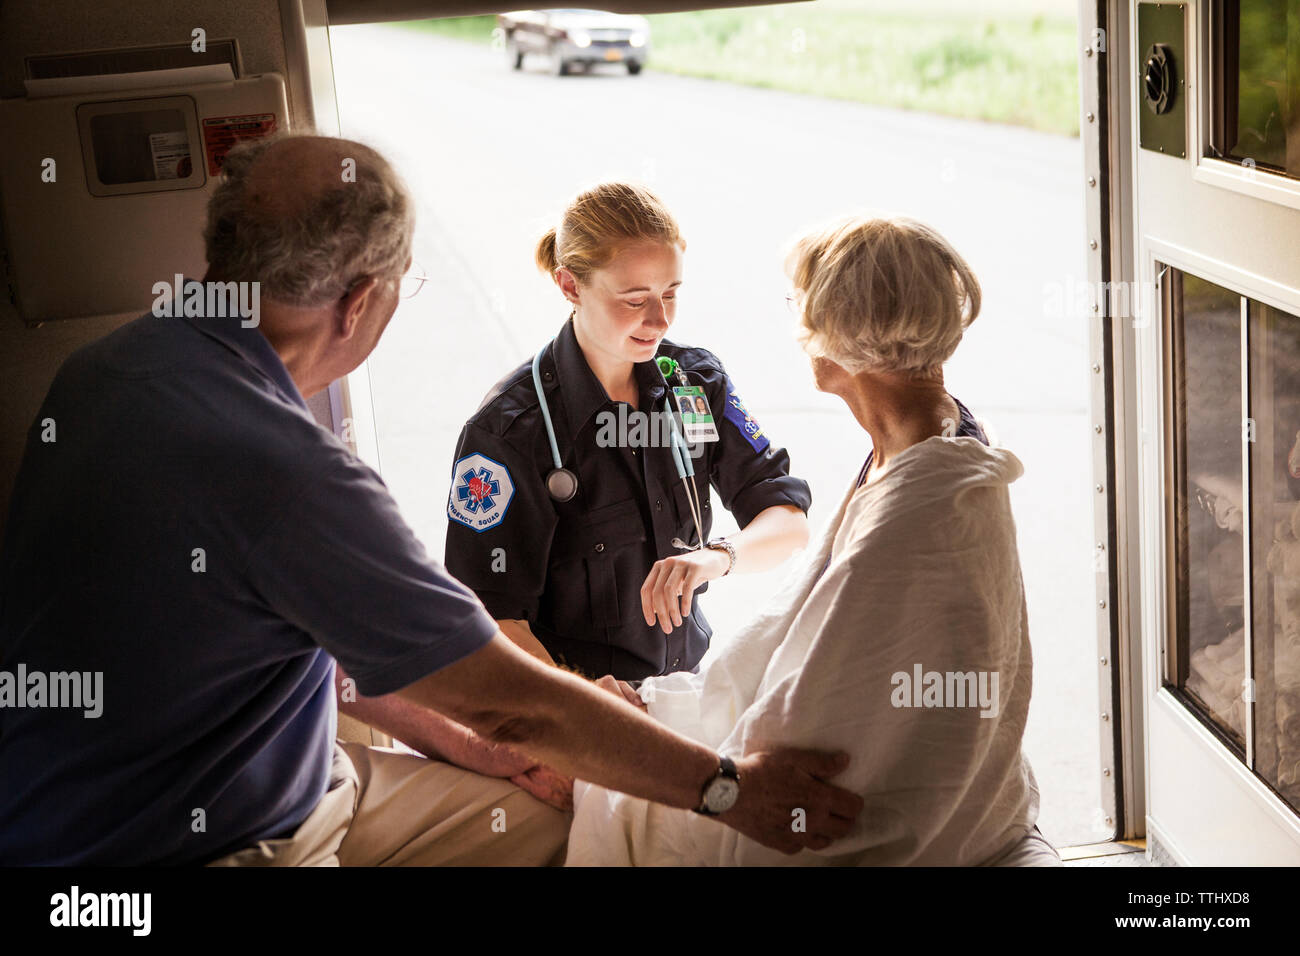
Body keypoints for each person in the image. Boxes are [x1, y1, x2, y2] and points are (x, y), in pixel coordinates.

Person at [0, 134, 863, 866]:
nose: (657, 318)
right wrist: (729, 787)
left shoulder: (105, 374)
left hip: (262, 770)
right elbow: (508, 694)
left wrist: (487, 746)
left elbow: (342, 661)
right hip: (194, 843)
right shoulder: (300, 472)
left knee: (561, 812)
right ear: (362, 301)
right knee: (611, 833)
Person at [566, 215, 1060, 866]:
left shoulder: (924, 507)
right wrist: (659, 709)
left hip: (880, 819)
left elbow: (808, 734)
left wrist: (651, 749)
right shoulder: (928, 437)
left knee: (604, 788)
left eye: (802, 307)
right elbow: (793, 645)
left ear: (837, 335)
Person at [444, 182, 812, 681]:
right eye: (635, 299)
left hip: (684, 690)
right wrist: (590, 706)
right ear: (570, 285)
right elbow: (488, 619)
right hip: (577, 710)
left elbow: (788, 521)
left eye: (670, 294)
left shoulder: (694, 385)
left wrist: (716, 557)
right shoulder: (509, 433)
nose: (658, 319)